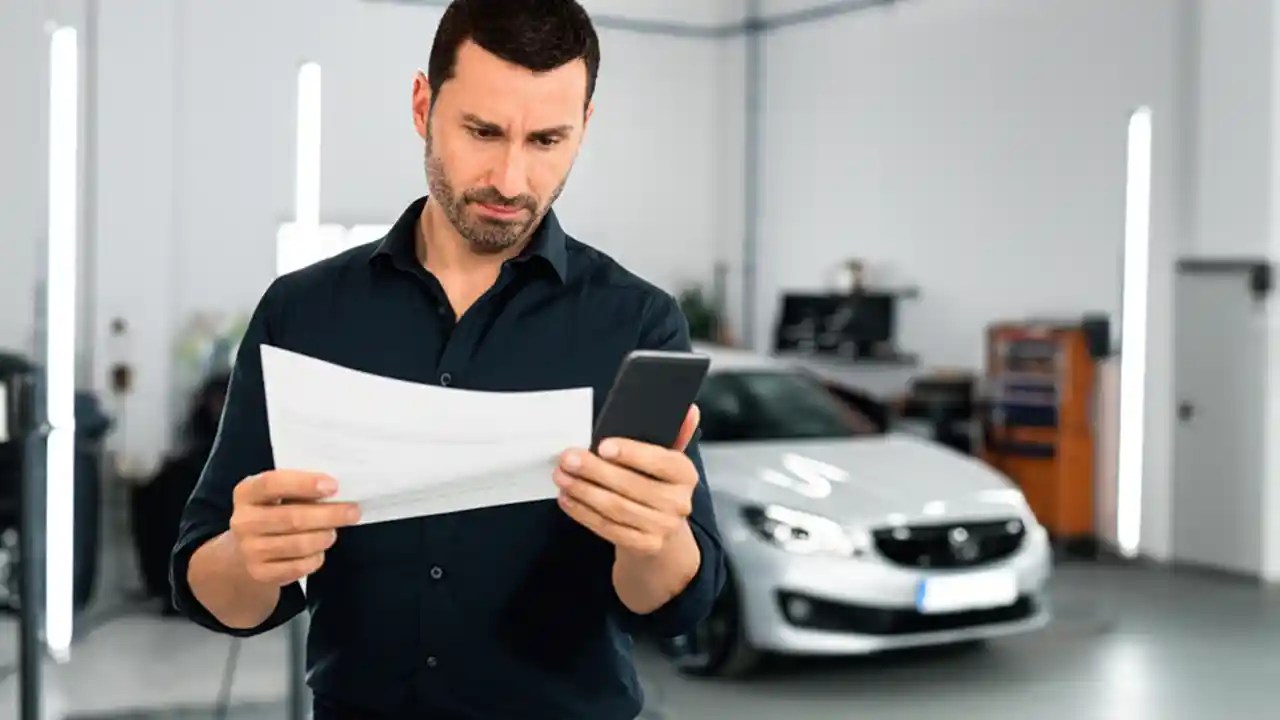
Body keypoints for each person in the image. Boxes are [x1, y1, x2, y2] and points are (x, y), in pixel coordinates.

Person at [168, 1, 727, 718]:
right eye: (482, 131)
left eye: (547, 139)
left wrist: (656, 536)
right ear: (422, 106)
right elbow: (212, 587)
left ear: (584, 126)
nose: (511, 179)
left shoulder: (635, 322)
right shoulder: (303, 312)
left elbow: (675, 607)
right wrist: (248, 556)